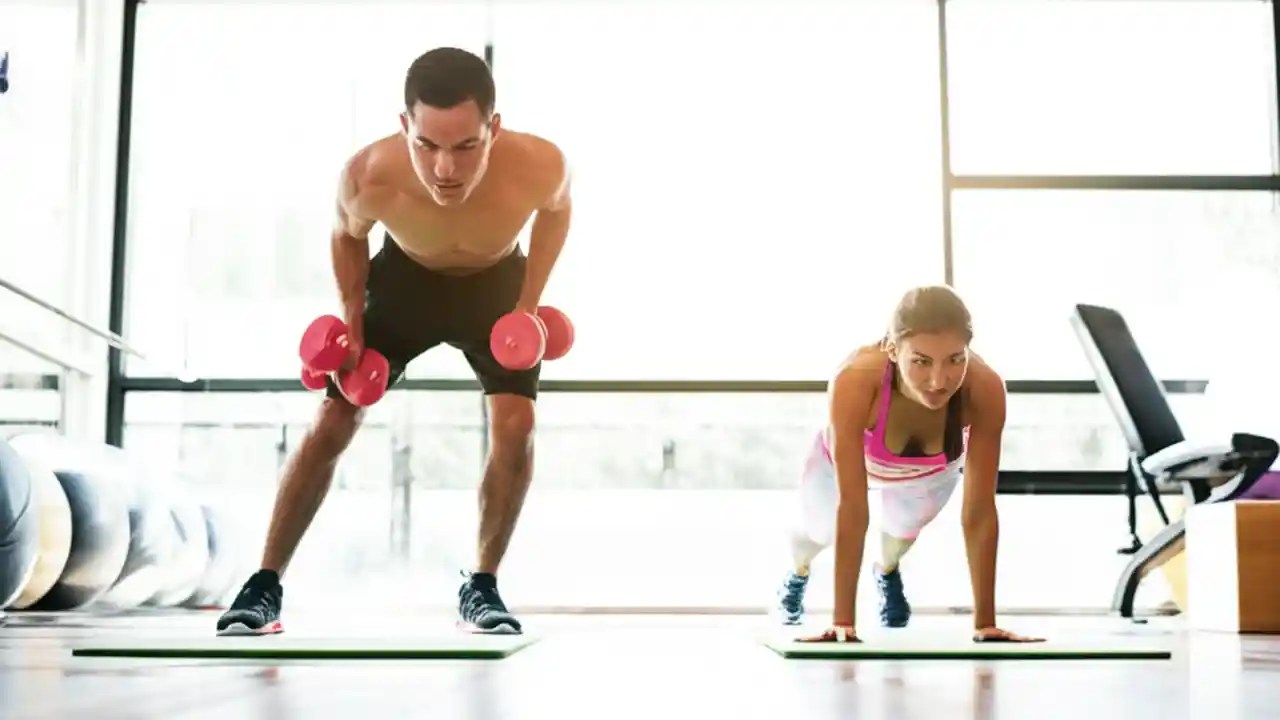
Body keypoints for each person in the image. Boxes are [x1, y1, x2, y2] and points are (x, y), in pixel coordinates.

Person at [215, 47, 572, 637]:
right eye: (427, 145)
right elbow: (346, 235)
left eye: (466, 147)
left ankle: (481, 585)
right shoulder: (367, 174)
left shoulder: (541, 164)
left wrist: (528, 308)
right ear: (404, 125)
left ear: (494, 128)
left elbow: (557, 213)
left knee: (517, 424)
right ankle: (264, 584)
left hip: (498, 287)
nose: (445, 170)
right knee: (334, 418)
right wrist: (352, 324)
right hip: (406, 282)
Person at [773, 285, 1042, 643]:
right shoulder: (855, 378)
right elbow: (852, 505)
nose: (938, 380)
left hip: (927, 473)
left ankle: (886, 570)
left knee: (898, 538)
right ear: (891, 347)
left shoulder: (985, 388)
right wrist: (843, 623)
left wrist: (985, 624)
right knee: (819, 534)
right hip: (839, 462)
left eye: (955, 360)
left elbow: (978, 510)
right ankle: (798, 572)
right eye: (921, 361)